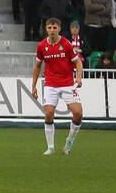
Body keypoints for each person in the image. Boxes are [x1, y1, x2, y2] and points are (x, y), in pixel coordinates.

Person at [29, 18, 83, 156]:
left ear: (59, 29)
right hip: (51, 84)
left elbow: (78, 63)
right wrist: (34, 86)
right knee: (48, 113)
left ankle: (69, 141)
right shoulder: (41, 46)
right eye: (49, 28)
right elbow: (37, 66)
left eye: (54, 28)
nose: (52, 30)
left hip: (67, 83)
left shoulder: (66, 44)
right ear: (46, 29)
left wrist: (78, 77)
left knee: (78, 113)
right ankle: (51, 147)